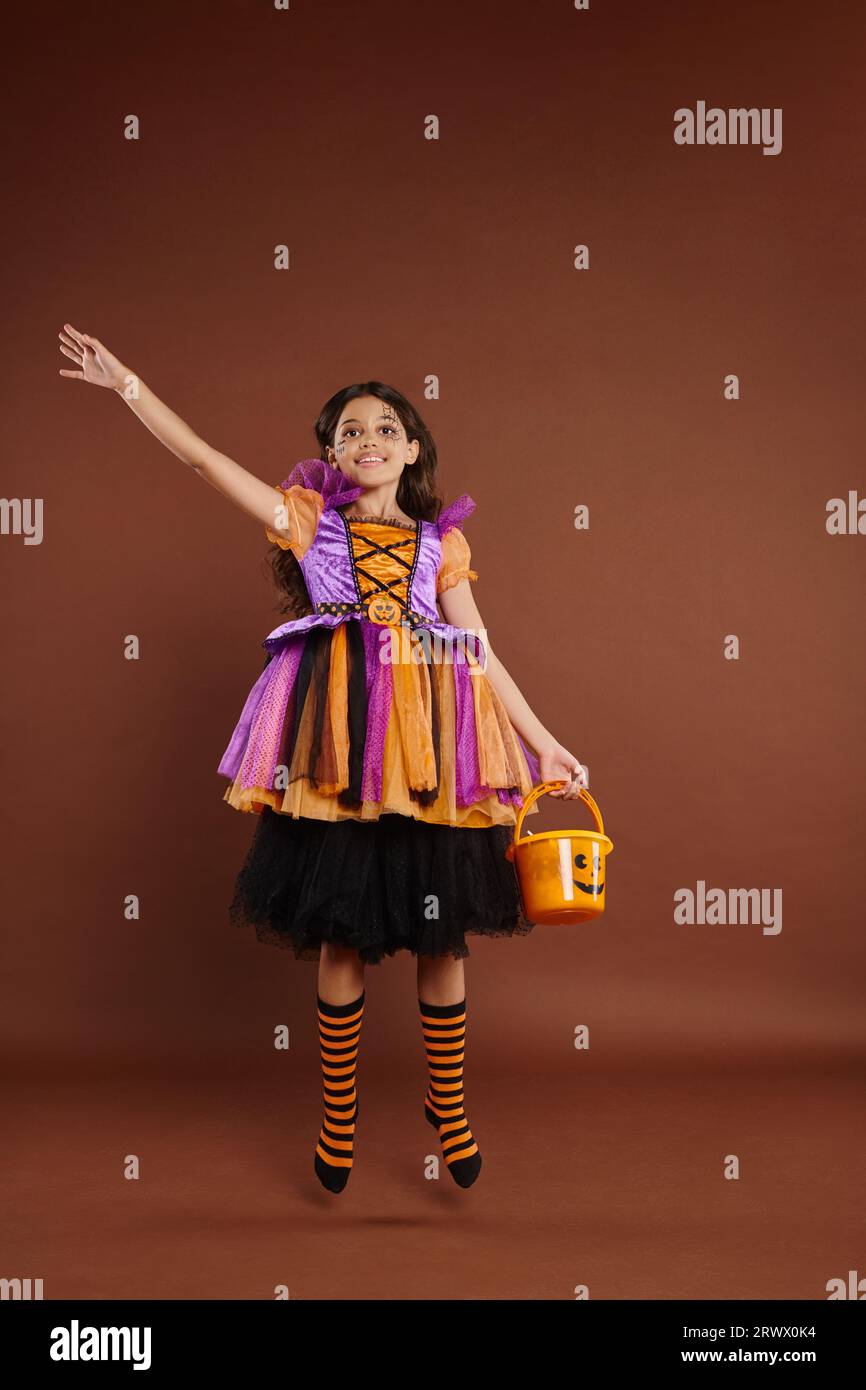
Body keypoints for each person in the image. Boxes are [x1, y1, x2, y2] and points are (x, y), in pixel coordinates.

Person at [58, 324, 589, 1193]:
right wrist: (128, 385)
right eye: (349, 431)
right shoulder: (308, 524)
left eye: (384, 427)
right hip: (333, 746)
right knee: (340, 924)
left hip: (426, 753)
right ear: (332, 456)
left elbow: (479, 653)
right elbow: (199, 459)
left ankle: (447, 1105)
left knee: (441, 932)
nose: (368, 440)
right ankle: (337, 1115)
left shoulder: (440, 544)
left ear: (411, 448)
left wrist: (544, 742)